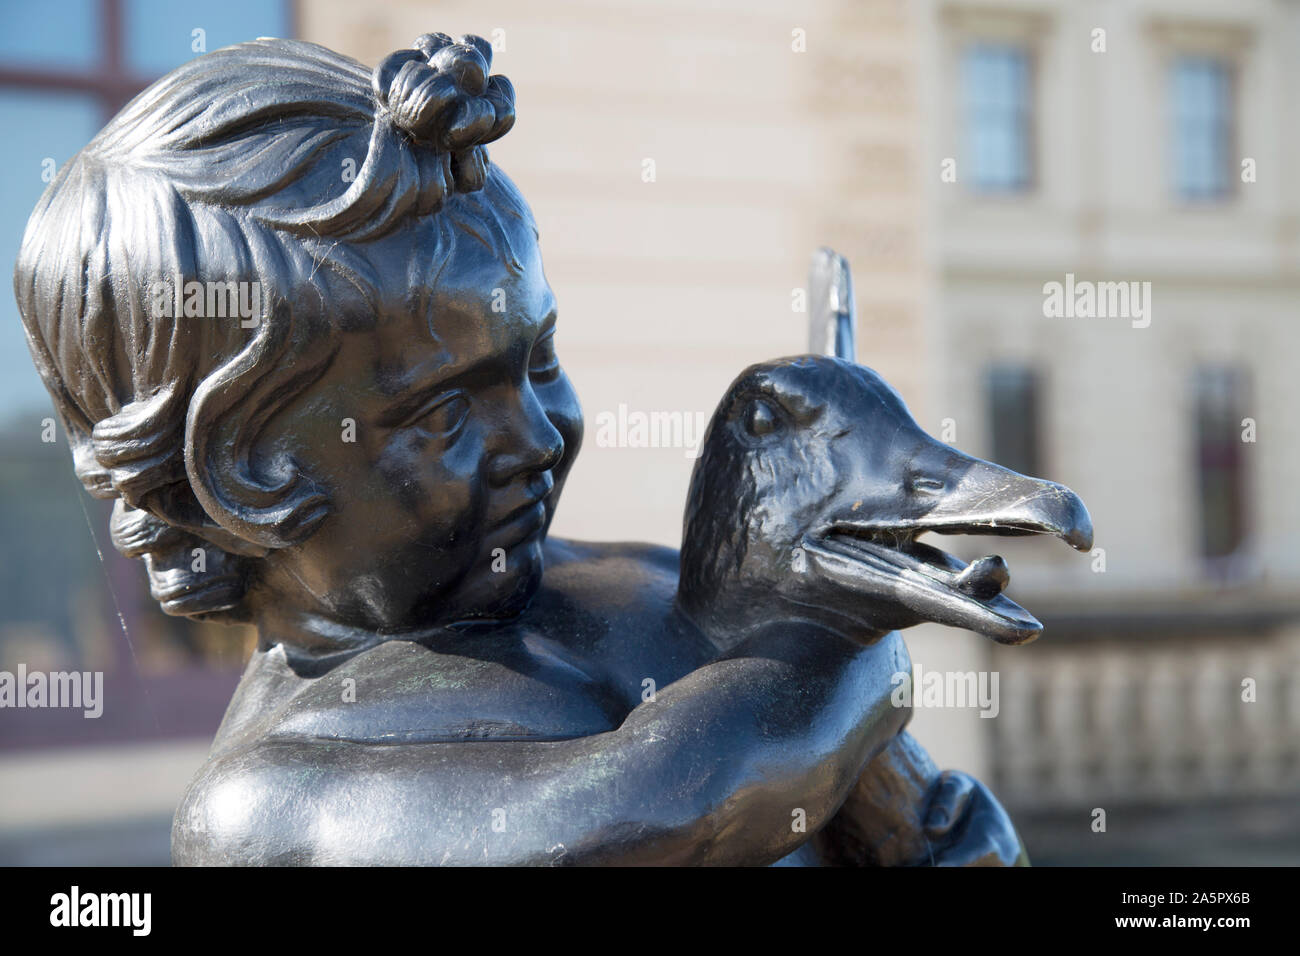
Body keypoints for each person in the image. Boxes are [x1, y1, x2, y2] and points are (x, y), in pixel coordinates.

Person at [15, 34, 1027, 865]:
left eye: (536, 360)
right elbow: (672, 802)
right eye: (446, 413)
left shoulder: (637, 592)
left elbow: (931, 828)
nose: (540, 435)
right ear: (248, 472)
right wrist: (838, 636)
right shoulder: (269, 800)